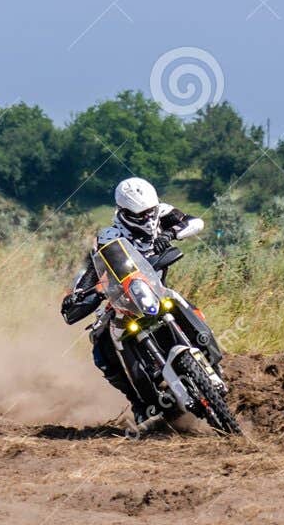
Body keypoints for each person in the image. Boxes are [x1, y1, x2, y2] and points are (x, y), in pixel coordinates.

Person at [60, 177, 216, 424]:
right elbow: (91, 269)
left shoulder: (162, 214)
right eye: (140, 215)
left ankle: (207, 349)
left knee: (181, 303)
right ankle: (140, 401)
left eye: (150, 212)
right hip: (124, 301)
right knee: (101, 347)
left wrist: (171, 232)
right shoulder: (108, 236)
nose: (147, 219)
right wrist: (82, 292)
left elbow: (196, 222)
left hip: (157, 290)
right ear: (123, 212)